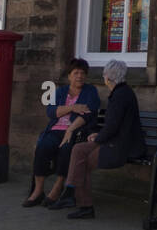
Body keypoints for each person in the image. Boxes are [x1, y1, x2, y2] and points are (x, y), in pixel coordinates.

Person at [53, 59, 145, 219]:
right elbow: (114, 126)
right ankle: (71, 193)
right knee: (78, 149)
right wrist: (98, 135)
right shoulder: (121, 92)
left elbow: (112, 127)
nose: (103, 77)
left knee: (82, 159)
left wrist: (98, 138)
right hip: (115, 141)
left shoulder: (120, 96)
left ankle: (81, 202)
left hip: (121, 147)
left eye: (104, 74)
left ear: (108, 77)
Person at [23, 59, 100, 208]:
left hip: (76, 132)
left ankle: (57, 189)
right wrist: (72, 108)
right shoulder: (60, 92)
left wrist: (70, 129)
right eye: (76, 73)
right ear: (69, 75)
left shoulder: (90, 91)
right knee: (42, 147)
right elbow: (51, 112)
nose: (79, 76)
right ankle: (38, 191)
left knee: (66, 150)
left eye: (83, 73)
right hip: (55, 130)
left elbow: (88, 113)